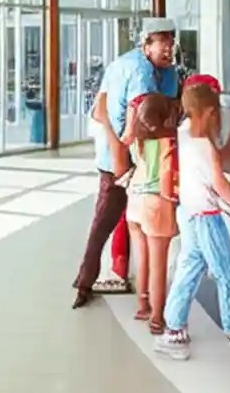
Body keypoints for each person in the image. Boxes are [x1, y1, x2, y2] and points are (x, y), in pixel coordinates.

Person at [155, 83, 230, 360]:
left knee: (189, 268)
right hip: (206, 217)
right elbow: (225, 192)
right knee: (226, 273)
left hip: (187, 212)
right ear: (209, 112)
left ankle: (173, 329)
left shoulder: (181, 132)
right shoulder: (205, 146)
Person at [72, 18, 180, 308]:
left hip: (124, 157)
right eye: (162, 42)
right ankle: (89, 283)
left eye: (171, 43)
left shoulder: (153, 67)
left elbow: (105, 107)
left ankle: (105, 278)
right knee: (112, 221)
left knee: (117, 220)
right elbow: (143, 121)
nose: (168, 49)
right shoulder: (140, 71)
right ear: (146, 44)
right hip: (127, 161)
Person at [93, 92, 177, 332]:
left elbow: (120, 157)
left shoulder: (136, 141)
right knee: (158, 264)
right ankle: (157, 317)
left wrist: (109, 120)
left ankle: (142, 305)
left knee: (142, 257)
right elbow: (167, 178)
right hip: (156, 202)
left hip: (135, 202)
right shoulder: (169, 142)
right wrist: (174, 200)